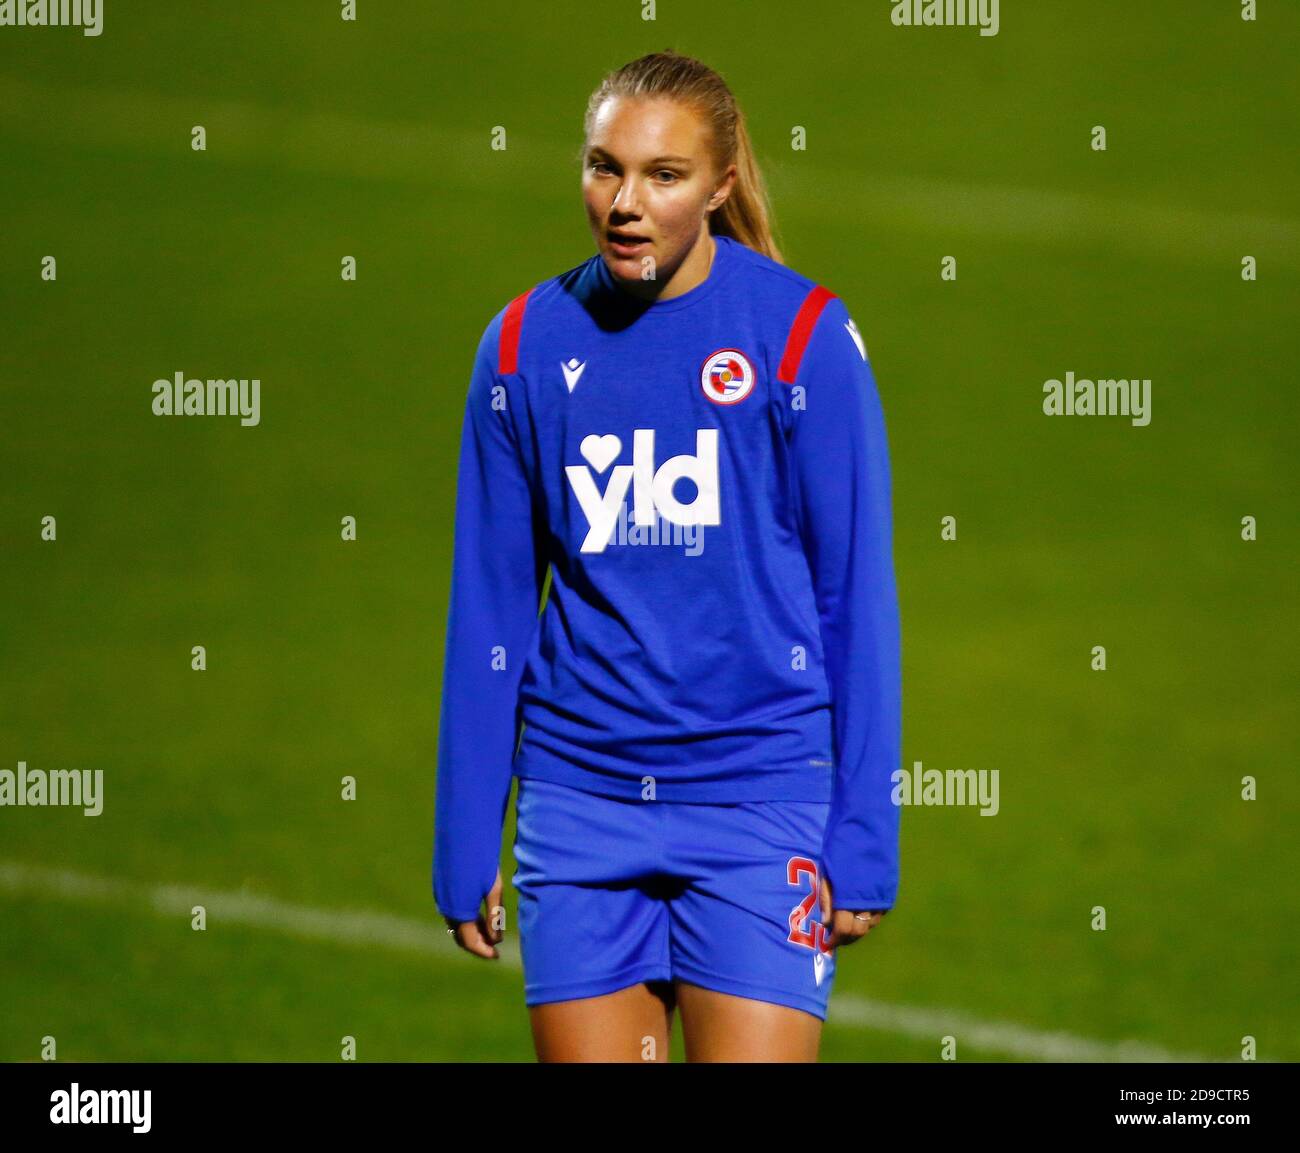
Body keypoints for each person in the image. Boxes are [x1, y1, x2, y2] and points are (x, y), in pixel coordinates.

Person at [432, 49, 901, 1062]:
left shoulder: (799, 336)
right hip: (579, 803)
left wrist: (864, 832)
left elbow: (852, 595)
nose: (625, 203)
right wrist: (467, 824)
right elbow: (493, 610)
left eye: (663, 175)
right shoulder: (518, 348)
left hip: (757, 802)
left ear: (722, 185)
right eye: (604, 168)